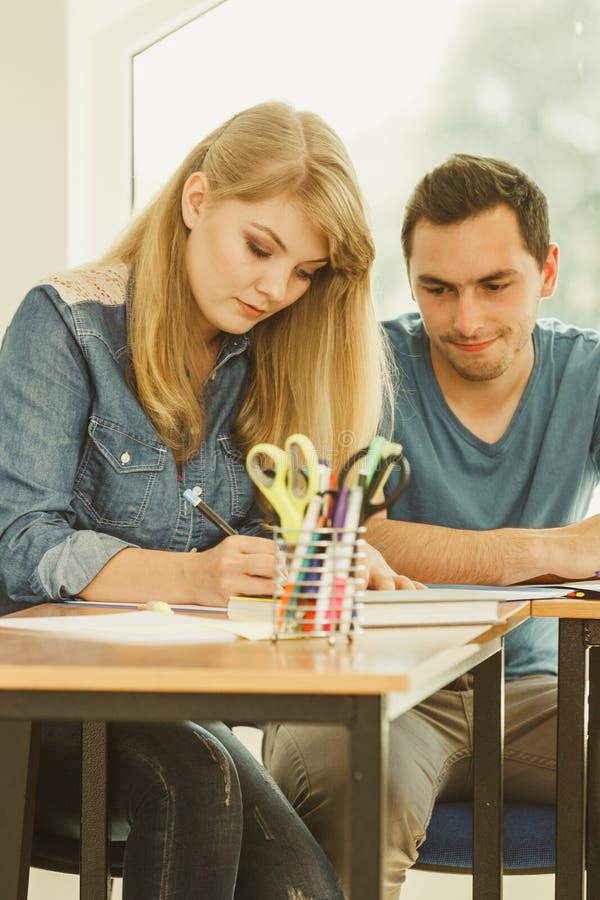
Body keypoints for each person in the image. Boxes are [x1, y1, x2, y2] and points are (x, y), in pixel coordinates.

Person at [0, 100, 415, 900]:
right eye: (260, 248)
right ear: (197, 202)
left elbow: (258, 537)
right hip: (37, 708)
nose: (276, 289)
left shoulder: (270, 354)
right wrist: (192, 577)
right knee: (197, 783)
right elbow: (18, 545)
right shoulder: (64, 324)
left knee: (305, 889)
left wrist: (308, 559)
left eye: (304, 272)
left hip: (180, 706)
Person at [263, 153, 600, 897]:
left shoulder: (588, 372)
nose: (466, 319)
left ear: (546, 271)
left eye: (494, 286)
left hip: (535, 693)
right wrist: (547, 549)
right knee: (352, 787)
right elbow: (344, 534)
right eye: (437, 290)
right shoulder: (364, 364)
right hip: (375, 683)